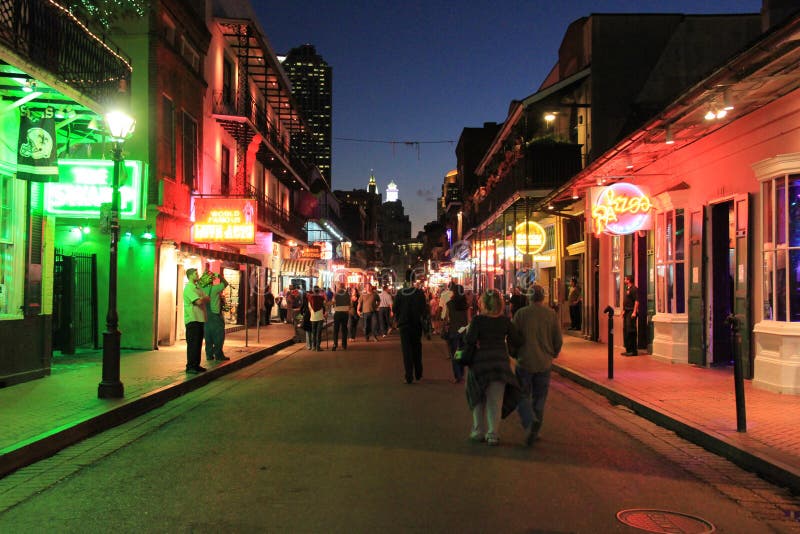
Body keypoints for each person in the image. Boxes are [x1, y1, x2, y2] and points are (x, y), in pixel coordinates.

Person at [463, 290, 523, 446]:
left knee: (477, 397)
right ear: (500, 304)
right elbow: (516, 340)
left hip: (480, 364)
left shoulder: (477, 320)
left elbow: (469, 340)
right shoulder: (505, 321)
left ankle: (477, 431)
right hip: (499, 364)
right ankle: (493, 434)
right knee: (495, 401)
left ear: (483, 303)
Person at [512, 284, 562, 445]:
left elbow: (513, 337)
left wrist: (514, 353)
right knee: (540, 397)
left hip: (525, 360)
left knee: (521, 394)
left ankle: (529, 420)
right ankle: (536, 427)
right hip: (544, 362)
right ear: (543, 297)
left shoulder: (521, 314)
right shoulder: (551, 314)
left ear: (529, 297)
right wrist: (553, 353)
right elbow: (557, 339)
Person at [394, 281, 429, 384]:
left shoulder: (400, 293)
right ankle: (418, 373)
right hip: (416, 324)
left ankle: (409, 376)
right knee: (417, 348)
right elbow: (424, 308)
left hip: (404, 324)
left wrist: (400, 314)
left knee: (406, 351)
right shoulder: (419, 293)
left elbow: (395, 308)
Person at [183, 268, 210, 374]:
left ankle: (196, 365)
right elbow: (199, 302)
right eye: (195, 273)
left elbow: (207, 298)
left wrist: (202, 299)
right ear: (190, 276)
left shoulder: (198, 288)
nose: (197, 275)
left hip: (200, 319)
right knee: (193, 344)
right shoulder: (189, 288)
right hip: (192, 319)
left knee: (198, 343)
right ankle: (190, 366)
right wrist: (202, 299)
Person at [444, 284, 470, 384]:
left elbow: (447, 318)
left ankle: (457, 375)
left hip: (453, 331)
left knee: (455, 353)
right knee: (461, 353)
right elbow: (469, 319)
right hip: (463, 332)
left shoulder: (449, 303)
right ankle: (462, 374)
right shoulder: (465, 304)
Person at [201, 270, 230, 362]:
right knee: (219, 336)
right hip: (215, 315)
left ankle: (209, 355)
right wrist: (217, 275)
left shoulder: (200, 289)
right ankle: (218, 354)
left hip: (205, 316)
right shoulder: (215, 289)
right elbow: (225, 283)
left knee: (208, 337)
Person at [622, 275, 640, 356]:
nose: (624, 280)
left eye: (625, 279)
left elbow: (636, 301)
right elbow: (627, 300)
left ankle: (633, 350)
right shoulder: (627, 289)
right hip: (626, 311)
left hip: (631, 312)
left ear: (628, 280)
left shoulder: (634, 289)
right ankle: (628, 349)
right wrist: (623, 310)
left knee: (631, 330)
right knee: (626, 330)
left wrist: (634, 312)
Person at [331, 283, 350, 351]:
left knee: (336, 329)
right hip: (345, 313)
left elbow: (333, 303)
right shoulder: (347, 294)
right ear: (344, 287)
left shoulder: (336, 295)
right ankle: (344, 345)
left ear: (339, 287)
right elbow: (349, 304)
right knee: (344, 329)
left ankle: (335, 344)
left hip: (338, 313)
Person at [308, 286, 326, 351]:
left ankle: (313, 346)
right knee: (319, 332)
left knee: (314, 332)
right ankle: (318, 347)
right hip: (320, 317)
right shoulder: (321, 298)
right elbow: (324, 307)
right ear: (318, 291)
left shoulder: (310, 298)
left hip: (313, 317)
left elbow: (309, 308)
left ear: (313, 291)